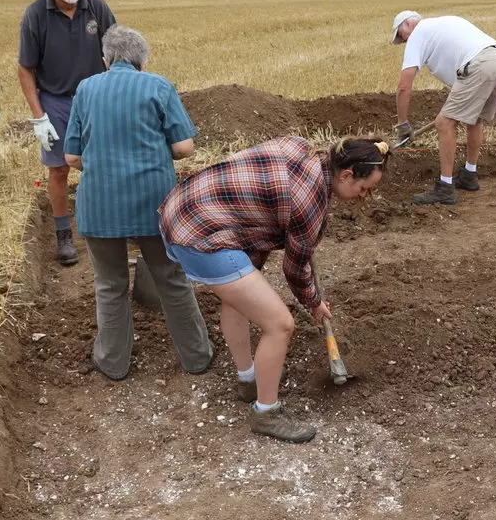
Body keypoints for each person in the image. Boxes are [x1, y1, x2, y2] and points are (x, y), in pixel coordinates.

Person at [159, 136, 388, 443]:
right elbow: (294, 269)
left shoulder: (304, 149)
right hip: (200, 232)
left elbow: (261, 212)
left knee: (236, 298)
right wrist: (315, 302)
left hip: (187, 209)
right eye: (364, 189)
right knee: (280, 324)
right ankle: (267, 413)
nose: (364, 196)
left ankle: (249, 381)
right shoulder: (309, 202)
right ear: (346, 175)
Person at [62, 25, 213, 381]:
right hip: (153, 206)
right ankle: (197, 357)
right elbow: (183, 148)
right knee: (171, 278)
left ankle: (113, 362)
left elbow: (71, 156)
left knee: (109, 285)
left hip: (99, 206)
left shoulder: (85, 89)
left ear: (106, 60)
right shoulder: (159, 86)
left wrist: (100, 160)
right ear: (143, 60)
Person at [18, 0, 116, 266]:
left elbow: (118, 53)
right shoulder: (35, 15)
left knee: (102, 165)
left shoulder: (97, 9)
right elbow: (26, 68)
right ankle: (64, 235)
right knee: (59, 169)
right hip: (56, 101)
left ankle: (105, 228)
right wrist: (38, 118)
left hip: (96, 99)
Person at [391, 10, 496, 205]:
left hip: (480, 65)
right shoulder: (445, 23)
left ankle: (445, 188)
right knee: (475, 120)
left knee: (444, 123)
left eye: (401, 37)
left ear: (409, 25)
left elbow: (404, 87)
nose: (403, 42)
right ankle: (469, 175)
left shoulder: (418, 34)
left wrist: (403, 124)